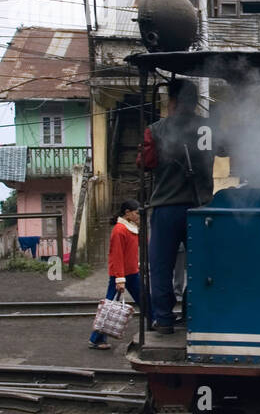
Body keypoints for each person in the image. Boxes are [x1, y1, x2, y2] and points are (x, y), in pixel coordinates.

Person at [139, 80, 213, 334]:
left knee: (161, 266)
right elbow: (225, 150)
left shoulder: (156, 129)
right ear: (194, 102)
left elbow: (146, 162)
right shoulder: (207, 128)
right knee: (200, 264)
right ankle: (194, 313)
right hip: (201, 207)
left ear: (171, 101)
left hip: (167, 207)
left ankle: (164, 319)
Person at [88, 199, 143, 350]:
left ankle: (97, 338)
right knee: (110, 307)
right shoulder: (120, 230)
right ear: (127, 213)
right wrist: (119, 278)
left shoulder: (128, 228)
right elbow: (116, 256)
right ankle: (96, 339)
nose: (138, 216)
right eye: (136, 213)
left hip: (129, 273)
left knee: (111, 306)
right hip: (122, 275)